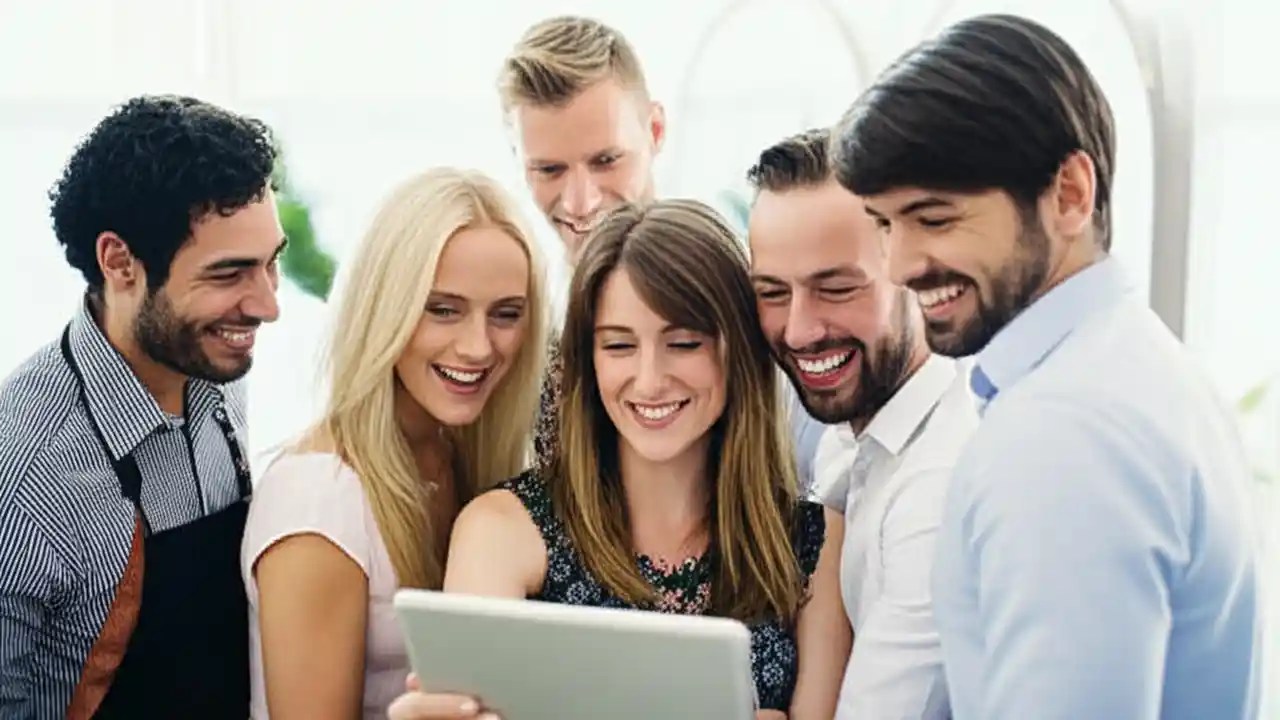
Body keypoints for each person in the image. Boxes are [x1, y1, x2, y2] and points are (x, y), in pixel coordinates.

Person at [833, 14, 1265, 719]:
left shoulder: (1062, 434)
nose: (901, 265)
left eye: (935, 219)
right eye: (884, 224)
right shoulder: (1134, 362)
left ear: (1070, 193)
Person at [388, 199, 849, 720]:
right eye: (619, 346)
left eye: (683, 343)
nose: (649, 380)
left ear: (737, 351)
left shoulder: (816, 544)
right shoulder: (502, 530)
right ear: (588, 360)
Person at [0, 95, 282, 719]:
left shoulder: (215, 369)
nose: (266, 305)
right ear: (119, 262)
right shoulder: (24, 479)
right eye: (230, 273)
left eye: (272, 263)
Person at [241, 168, 549, 719]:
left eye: (506, 314)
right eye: (443, 309)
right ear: (385, 307)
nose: (478, 347)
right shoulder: (319, 499)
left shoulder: (462, 456)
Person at [498, 15, 825, 488]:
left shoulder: (740, 293)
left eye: (606, 160)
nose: (580, 201)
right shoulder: (516, 324)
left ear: (654, 131)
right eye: (549, 170)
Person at [746, 127, 979, 718]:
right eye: (773, 292)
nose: (799, 330)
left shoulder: (938, 487)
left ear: (916, 275)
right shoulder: (844, 441)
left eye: (837, 288)